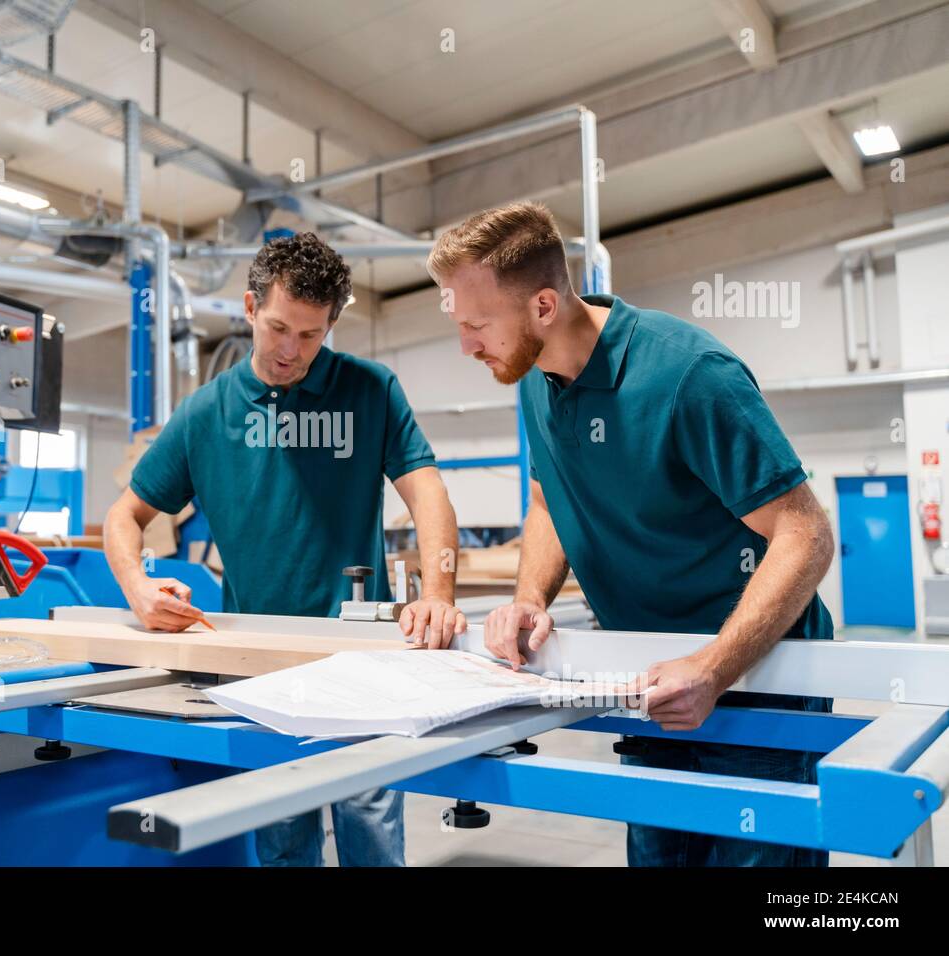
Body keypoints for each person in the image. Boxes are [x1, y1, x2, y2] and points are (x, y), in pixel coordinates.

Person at [428, 201, 835, 867]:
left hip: (758, 685)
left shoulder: (687, 376)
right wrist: (531, 598)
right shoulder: (533, 381)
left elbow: (804, 533)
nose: (466, 345)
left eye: (477, 325)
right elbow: (547, 501)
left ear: (542, 307)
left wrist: (713, 668)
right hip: (647, 684)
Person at [104, 232, 466, 866]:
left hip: (363, 662)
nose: (290, 351)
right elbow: (124, 515)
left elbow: (428, 494)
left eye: (311, 335)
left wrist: (437, 595)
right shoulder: (205, 415)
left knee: (372, 833)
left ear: (331, 324)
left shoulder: (371, 391)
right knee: (284, 843)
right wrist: (138, 587)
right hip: (258, 667)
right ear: (249, 308)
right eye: (278, 328)